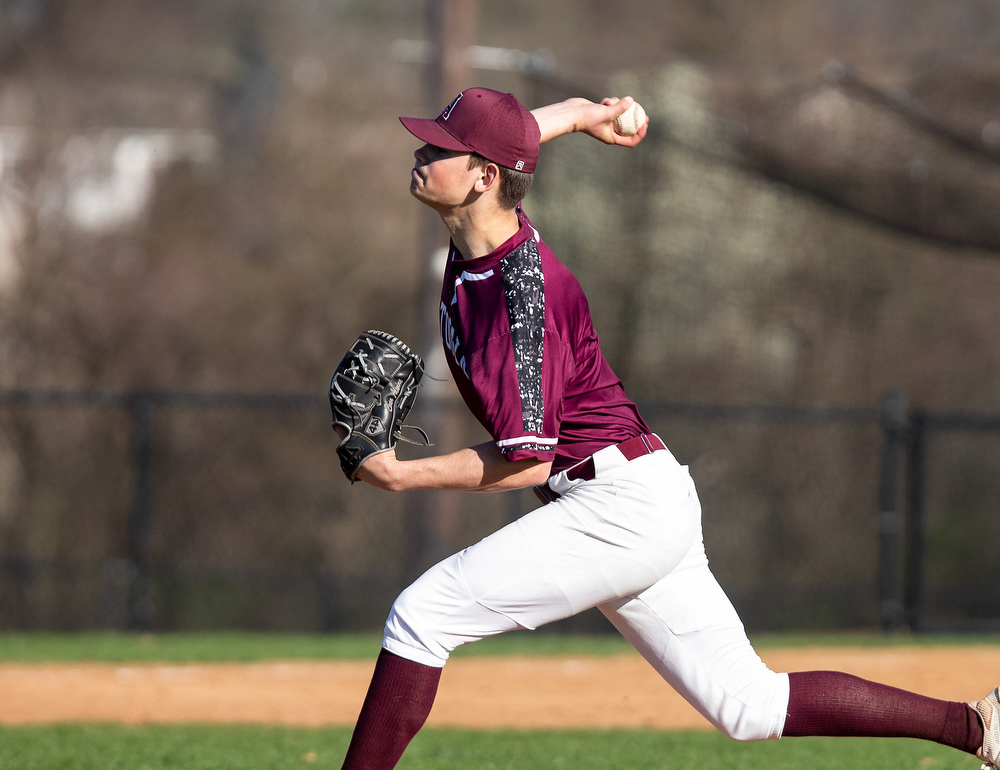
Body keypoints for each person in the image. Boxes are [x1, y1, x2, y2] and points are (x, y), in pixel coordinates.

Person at [338, 87, 999, 770]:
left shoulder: (519, 302)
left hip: (614, 508)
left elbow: (529, 462)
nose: (421, 152)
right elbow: (515, 138)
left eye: (439, 148)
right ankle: (979, 728)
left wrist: (400, 473)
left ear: (483, 177)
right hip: (642, 494)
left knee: (423, 614)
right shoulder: (484, 224)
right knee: (749, 705)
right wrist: (581, 113)